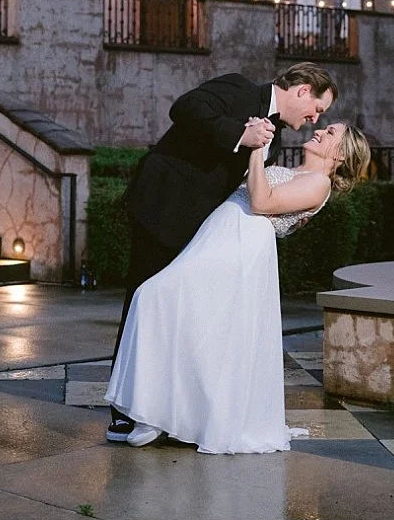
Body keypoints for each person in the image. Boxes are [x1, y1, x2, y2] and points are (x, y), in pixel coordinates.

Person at [105, 122, 371, 453]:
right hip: (219, 233)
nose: (319, 131)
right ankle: (161, 411)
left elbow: (261, 201)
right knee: (175, 311)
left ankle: (154, 413)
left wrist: (257, 150)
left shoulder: (318, 183)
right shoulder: (291, 170)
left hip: (240, 245)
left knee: (156, 297)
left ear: (342, 154)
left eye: (330, 133)